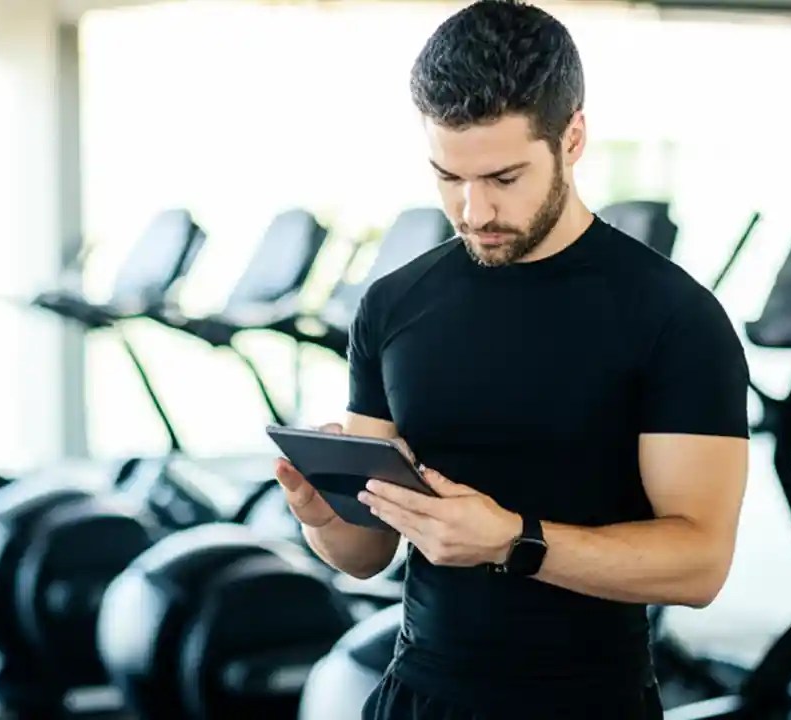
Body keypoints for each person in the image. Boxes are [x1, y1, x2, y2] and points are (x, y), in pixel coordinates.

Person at [273, 2, 751, 718]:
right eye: (448, 177)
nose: (473, 211)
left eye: (503, 178)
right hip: (418, 694)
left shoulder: (675, 317)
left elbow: (699, 563)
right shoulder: (392, 306)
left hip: (588, 702)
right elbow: (367, 554)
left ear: (574, 137)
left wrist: (512, 540)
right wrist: (322, 517)